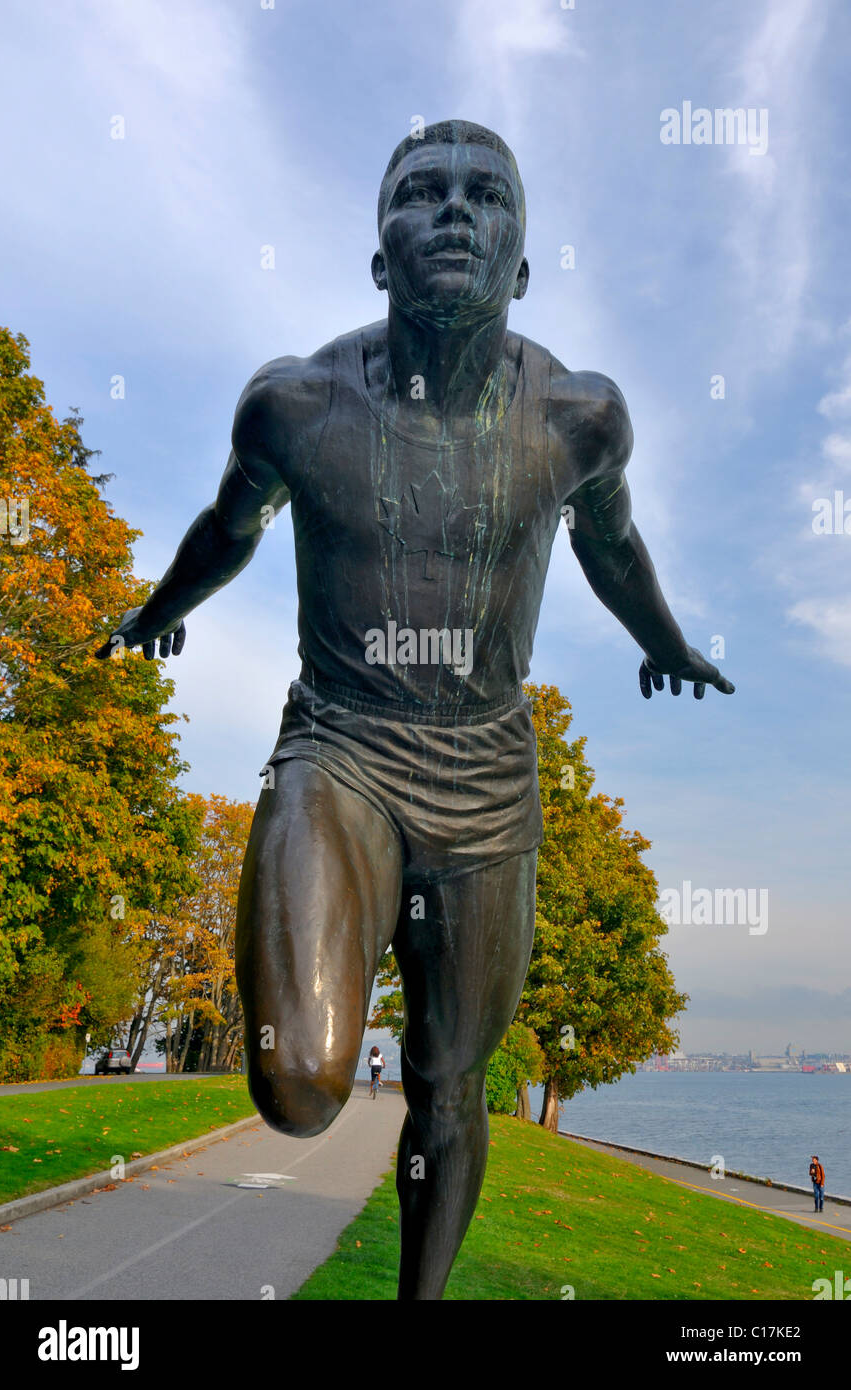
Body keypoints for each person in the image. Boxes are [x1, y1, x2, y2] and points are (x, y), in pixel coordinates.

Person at [96, 119, 734, 1300]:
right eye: (422, 194)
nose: (454, 211)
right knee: (297, 1083)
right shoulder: (294, 405)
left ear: (522, 265)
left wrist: (666, 642)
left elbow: (612, 546)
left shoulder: (577, 418)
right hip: (338, 750)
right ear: (379, 259)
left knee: (448, 1082)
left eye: (485, 196)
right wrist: (153, 608)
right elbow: (227, 527)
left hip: (488, 783)